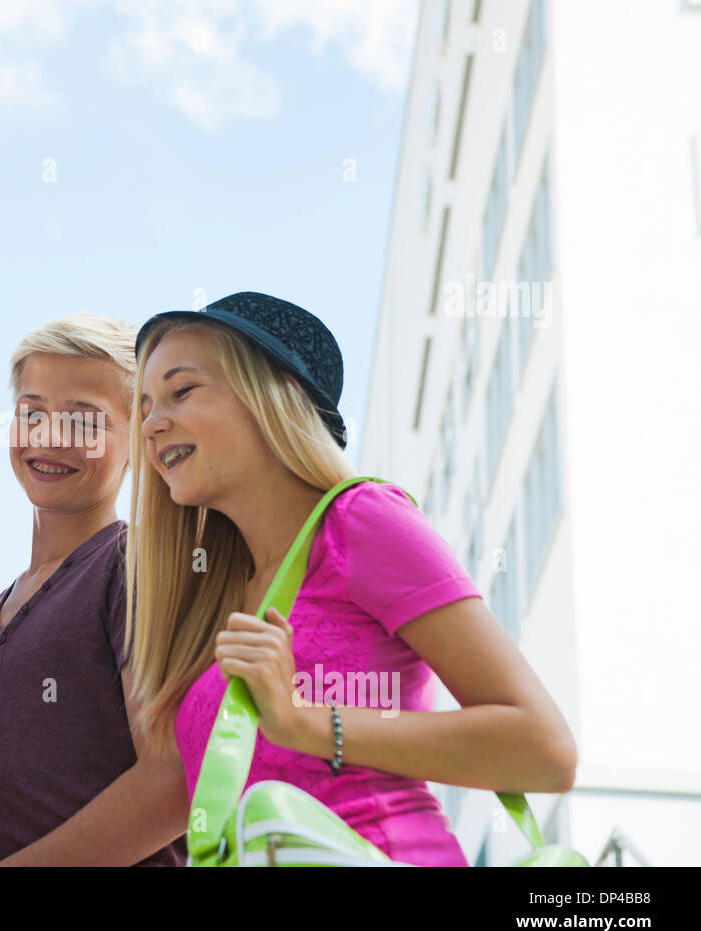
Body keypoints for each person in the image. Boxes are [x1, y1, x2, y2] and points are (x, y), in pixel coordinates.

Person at [125, 291, 577, 866]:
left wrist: (305, 722)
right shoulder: (214, 597)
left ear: (274, 399)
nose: (152, 424)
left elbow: (544, 749)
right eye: (145, 406)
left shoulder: (362, 521)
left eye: (181, 391)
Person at [0, 314, 189, 867]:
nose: (49, 437)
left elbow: (173, 778)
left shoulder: (132, 566)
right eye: (31, 412)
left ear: (139, 440)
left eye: (85, 422)